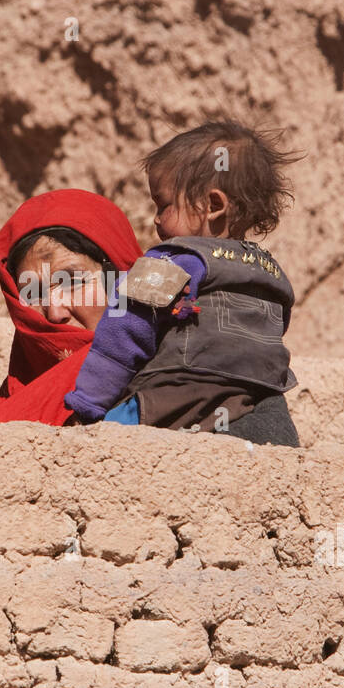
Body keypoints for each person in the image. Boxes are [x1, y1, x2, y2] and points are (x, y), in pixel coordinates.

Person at [64, 121, 303, 446]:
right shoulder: (272, 272)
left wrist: (88, 404)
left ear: (213, 206)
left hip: (178, 397)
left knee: (100, 445)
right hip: (260, 407)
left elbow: (122, 333)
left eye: (163, 204)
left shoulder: (172, 259)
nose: (156, 218)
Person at [0, 189, 142, 431]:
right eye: (32, 293)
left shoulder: (175, 376)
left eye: (74, 281)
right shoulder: (2, 416)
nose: (55, 313)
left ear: (120, 277)